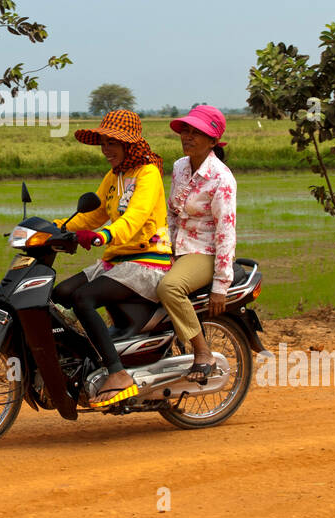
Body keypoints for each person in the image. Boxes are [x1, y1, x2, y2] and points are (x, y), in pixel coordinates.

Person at [52, 110, 172, 408]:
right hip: (117, 261)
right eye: (103, 143)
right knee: (60, 293)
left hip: (147, 262)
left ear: (130, 145)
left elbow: (134, 217)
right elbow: (92, 215)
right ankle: (91, 355)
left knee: (83, 299)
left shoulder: (148, 173)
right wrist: (52, 228)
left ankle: (117, 373)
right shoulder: (115, 176)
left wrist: (102, 236)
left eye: (112, 143)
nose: (106, 150)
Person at [157, 105, 237, 385]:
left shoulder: (221, 178)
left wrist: (220, 285)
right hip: (175, 246)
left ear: (213, 141)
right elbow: (172, 212)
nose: (187, 137)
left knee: (170, 287)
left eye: (196, 133)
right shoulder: (180, 166)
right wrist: (160, 245)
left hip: (203, 251)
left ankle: (203, 353)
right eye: (185, 131)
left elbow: (226, 232)